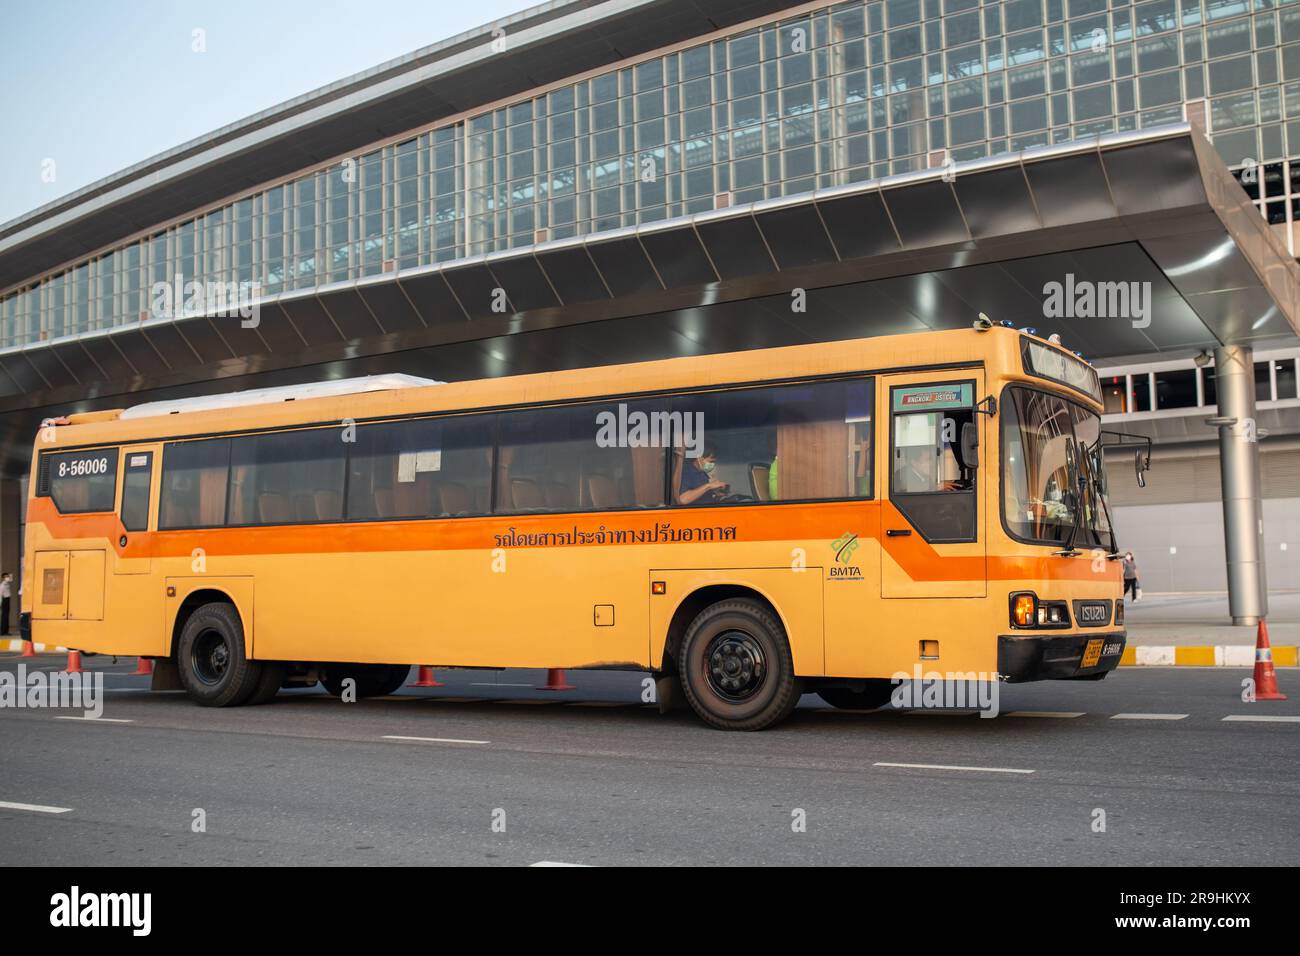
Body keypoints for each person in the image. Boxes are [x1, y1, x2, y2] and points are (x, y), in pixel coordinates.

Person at [0, 572, 11, 636]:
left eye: (8, 576)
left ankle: (6, 631)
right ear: (3, 578)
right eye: (6, 577)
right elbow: (0, 595)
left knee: (7, 616)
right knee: (4, 616)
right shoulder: (2, 585)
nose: (7, 578)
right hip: (4, 600)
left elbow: (11, 579)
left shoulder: (7, 584)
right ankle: (2, 631)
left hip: (8, 600)